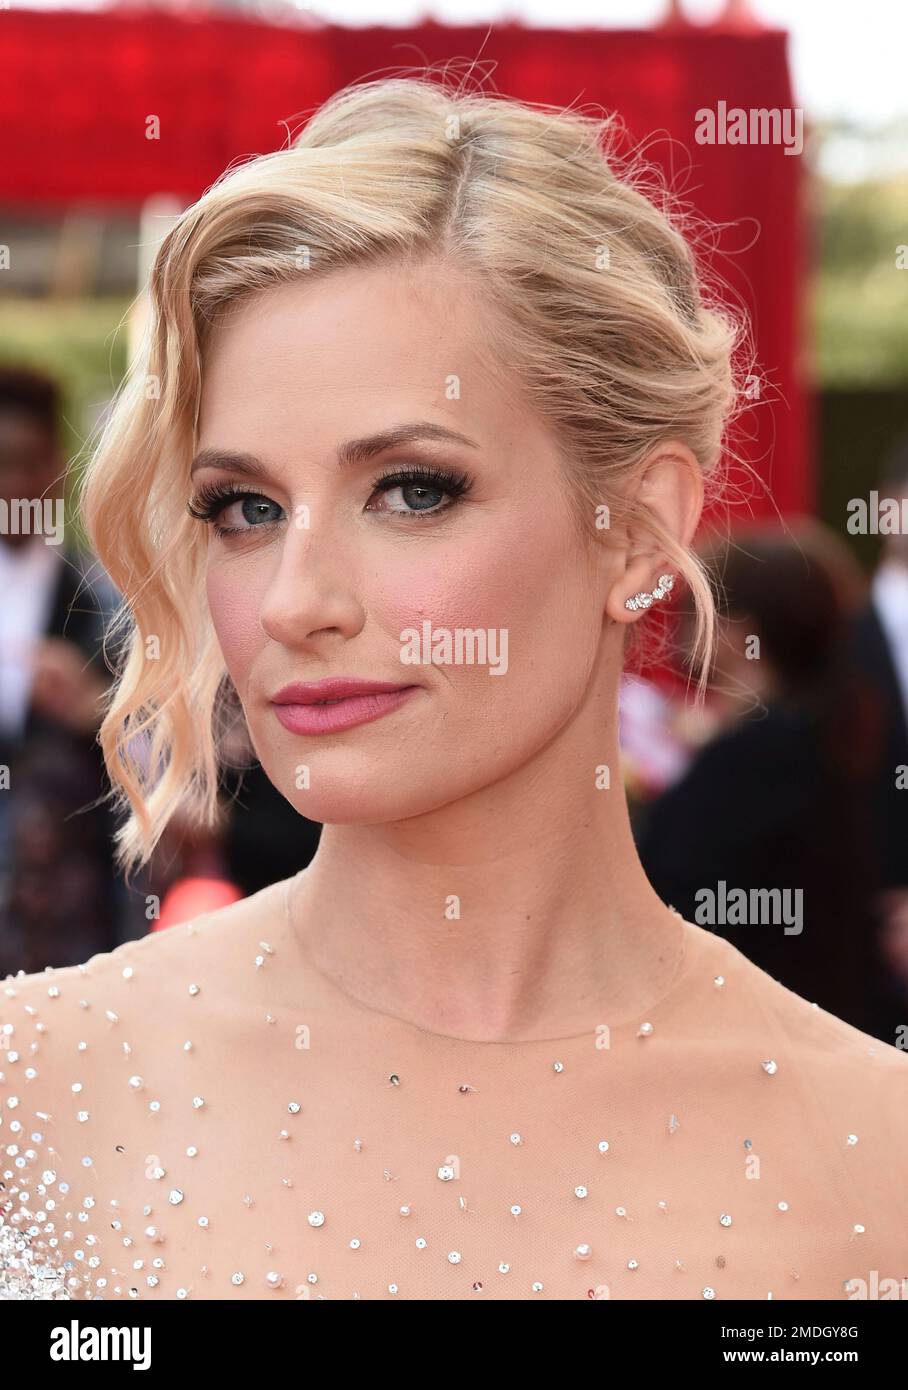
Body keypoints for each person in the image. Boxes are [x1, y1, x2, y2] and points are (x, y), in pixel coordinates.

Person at [2, 77, 906, 1303]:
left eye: (412, 489)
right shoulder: (38, 1090)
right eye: (244, 508)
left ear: (638, 529)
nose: (292, 599)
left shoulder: (870, 1162)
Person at [637, 521, 885, 1036]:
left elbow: (669, 904)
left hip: (748, 1042)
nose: (678, 628)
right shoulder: (817, 739)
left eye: (696, 609)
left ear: (738, 631)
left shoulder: (755, 760)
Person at [0, 366, 122, 977]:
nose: (14, 484)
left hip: (73, 934)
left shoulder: (106, 601)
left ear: (58, 466)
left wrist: (94, 709)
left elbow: (159, 765)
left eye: (29, 461)